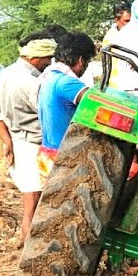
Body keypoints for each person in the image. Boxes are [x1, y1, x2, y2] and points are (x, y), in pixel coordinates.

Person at [0, 32, 55, 239]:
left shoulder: (5, 74)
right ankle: (30, 250)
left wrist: (7, 142)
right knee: (33, 204)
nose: (49, 62)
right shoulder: (31, 83)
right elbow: (48, 115)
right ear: (36, 58)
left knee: (31, 202)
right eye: (48, 58)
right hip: (34, 145)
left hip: (18, 142)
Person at [36, 33, 97, 177]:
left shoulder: (49, 77)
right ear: (81, 60)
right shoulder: (66, 83)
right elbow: (97, 101)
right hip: (63, 156)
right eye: (87, 63)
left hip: (48, 151)